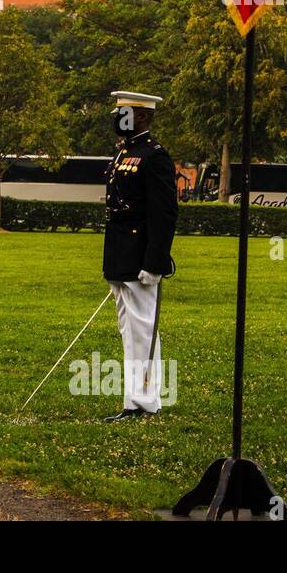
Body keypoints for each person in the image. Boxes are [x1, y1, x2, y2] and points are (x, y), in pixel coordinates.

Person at [101, 91, 178, 422]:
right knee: (128, 329)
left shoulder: (154, 156)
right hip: (120, 252)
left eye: (127, 113)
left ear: (143, 117)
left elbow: (165, 213)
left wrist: (155, 260)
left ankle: (144, 403)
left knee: (143, 330)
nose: (121, 118)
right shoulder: (123, 154)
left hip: (140, 254)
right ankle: (133, 399)